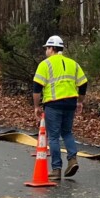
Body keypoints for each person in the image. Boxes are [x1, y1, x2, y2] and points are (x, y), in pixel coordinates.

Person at [32, 34, 88, 181]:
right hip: (70, 102)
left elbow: (37, 88)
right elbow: (83, 84)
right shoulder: (73, 64)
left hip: (54, 103)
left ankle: (56, 169)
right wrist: (80, 101)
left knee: (54, 137)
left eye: (47, 48)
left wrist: (37, 106)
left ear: (51, 48)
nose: (46, 51)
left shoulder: (45, 64)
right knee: (67, 132)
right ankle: (72, 159)